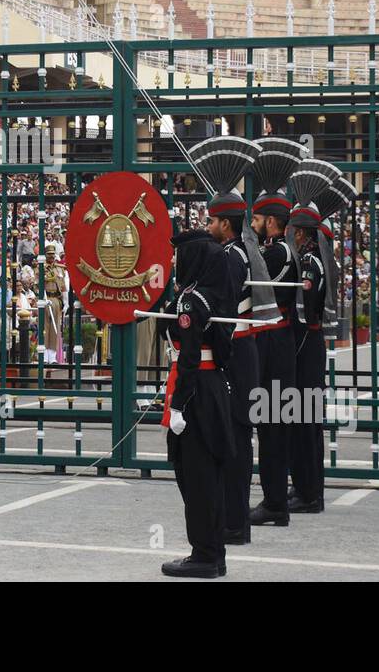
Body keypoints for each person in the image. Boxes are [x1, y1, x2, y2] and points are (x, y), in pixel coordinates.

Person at [160, 229, 237, 579]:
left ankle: (203, 554)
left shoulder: (191, 301)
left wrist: (179, 404)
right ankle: (212, 551)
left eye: (180, 256)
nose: (176, 262)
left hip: (195, 391)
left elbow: (190, 357)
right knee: (208, 475)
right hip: (213, 386)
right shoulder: (213, 296)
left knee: (195, 476)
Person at [204, 190, 259, 545]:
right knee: (238, 436)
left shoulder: (230, 257)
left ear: (226, 224)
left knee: (235, 438)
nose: (208, 226)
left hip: (237, 351)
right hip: (244, 349)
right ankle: (235, 519)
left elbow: (223, 309)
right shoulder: (240, 251)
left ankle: (235, 523)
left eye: (211, 220)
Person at [249, 192, 298, 527]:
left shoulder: (279, 251)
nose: (253, 225)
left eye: (257, 219)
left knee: (273, 426)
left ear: (270, 221)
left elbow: (257, 284)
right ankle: (274, 500)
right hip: (274, 338)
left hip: (276, 340)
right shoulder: (278, 249)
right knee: (270, 425)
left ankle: (275, 502)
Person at [287, 205, 327, 513]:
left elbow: (309, 304)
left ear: (300, 232)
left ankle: (310, 493)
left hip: (307, 341)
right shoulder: (311, 257)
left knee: (305, 421)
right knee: (301, 420)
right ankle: (304, 486)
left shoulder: (310, 261)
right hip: (309, 342)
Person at [42, 244, 67, 363]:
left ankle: (52, 356)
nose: (51, 257)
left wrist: (65, 301)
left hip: (56, 299)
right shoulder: (41, 267)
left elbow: (63, 287)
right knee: (45, 327)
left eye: (53, 255)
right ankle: (44, 354)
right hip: (46, 299)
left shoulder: (59, 268)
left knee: (55, 327)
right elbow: (37, 284)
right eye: (49, 255)